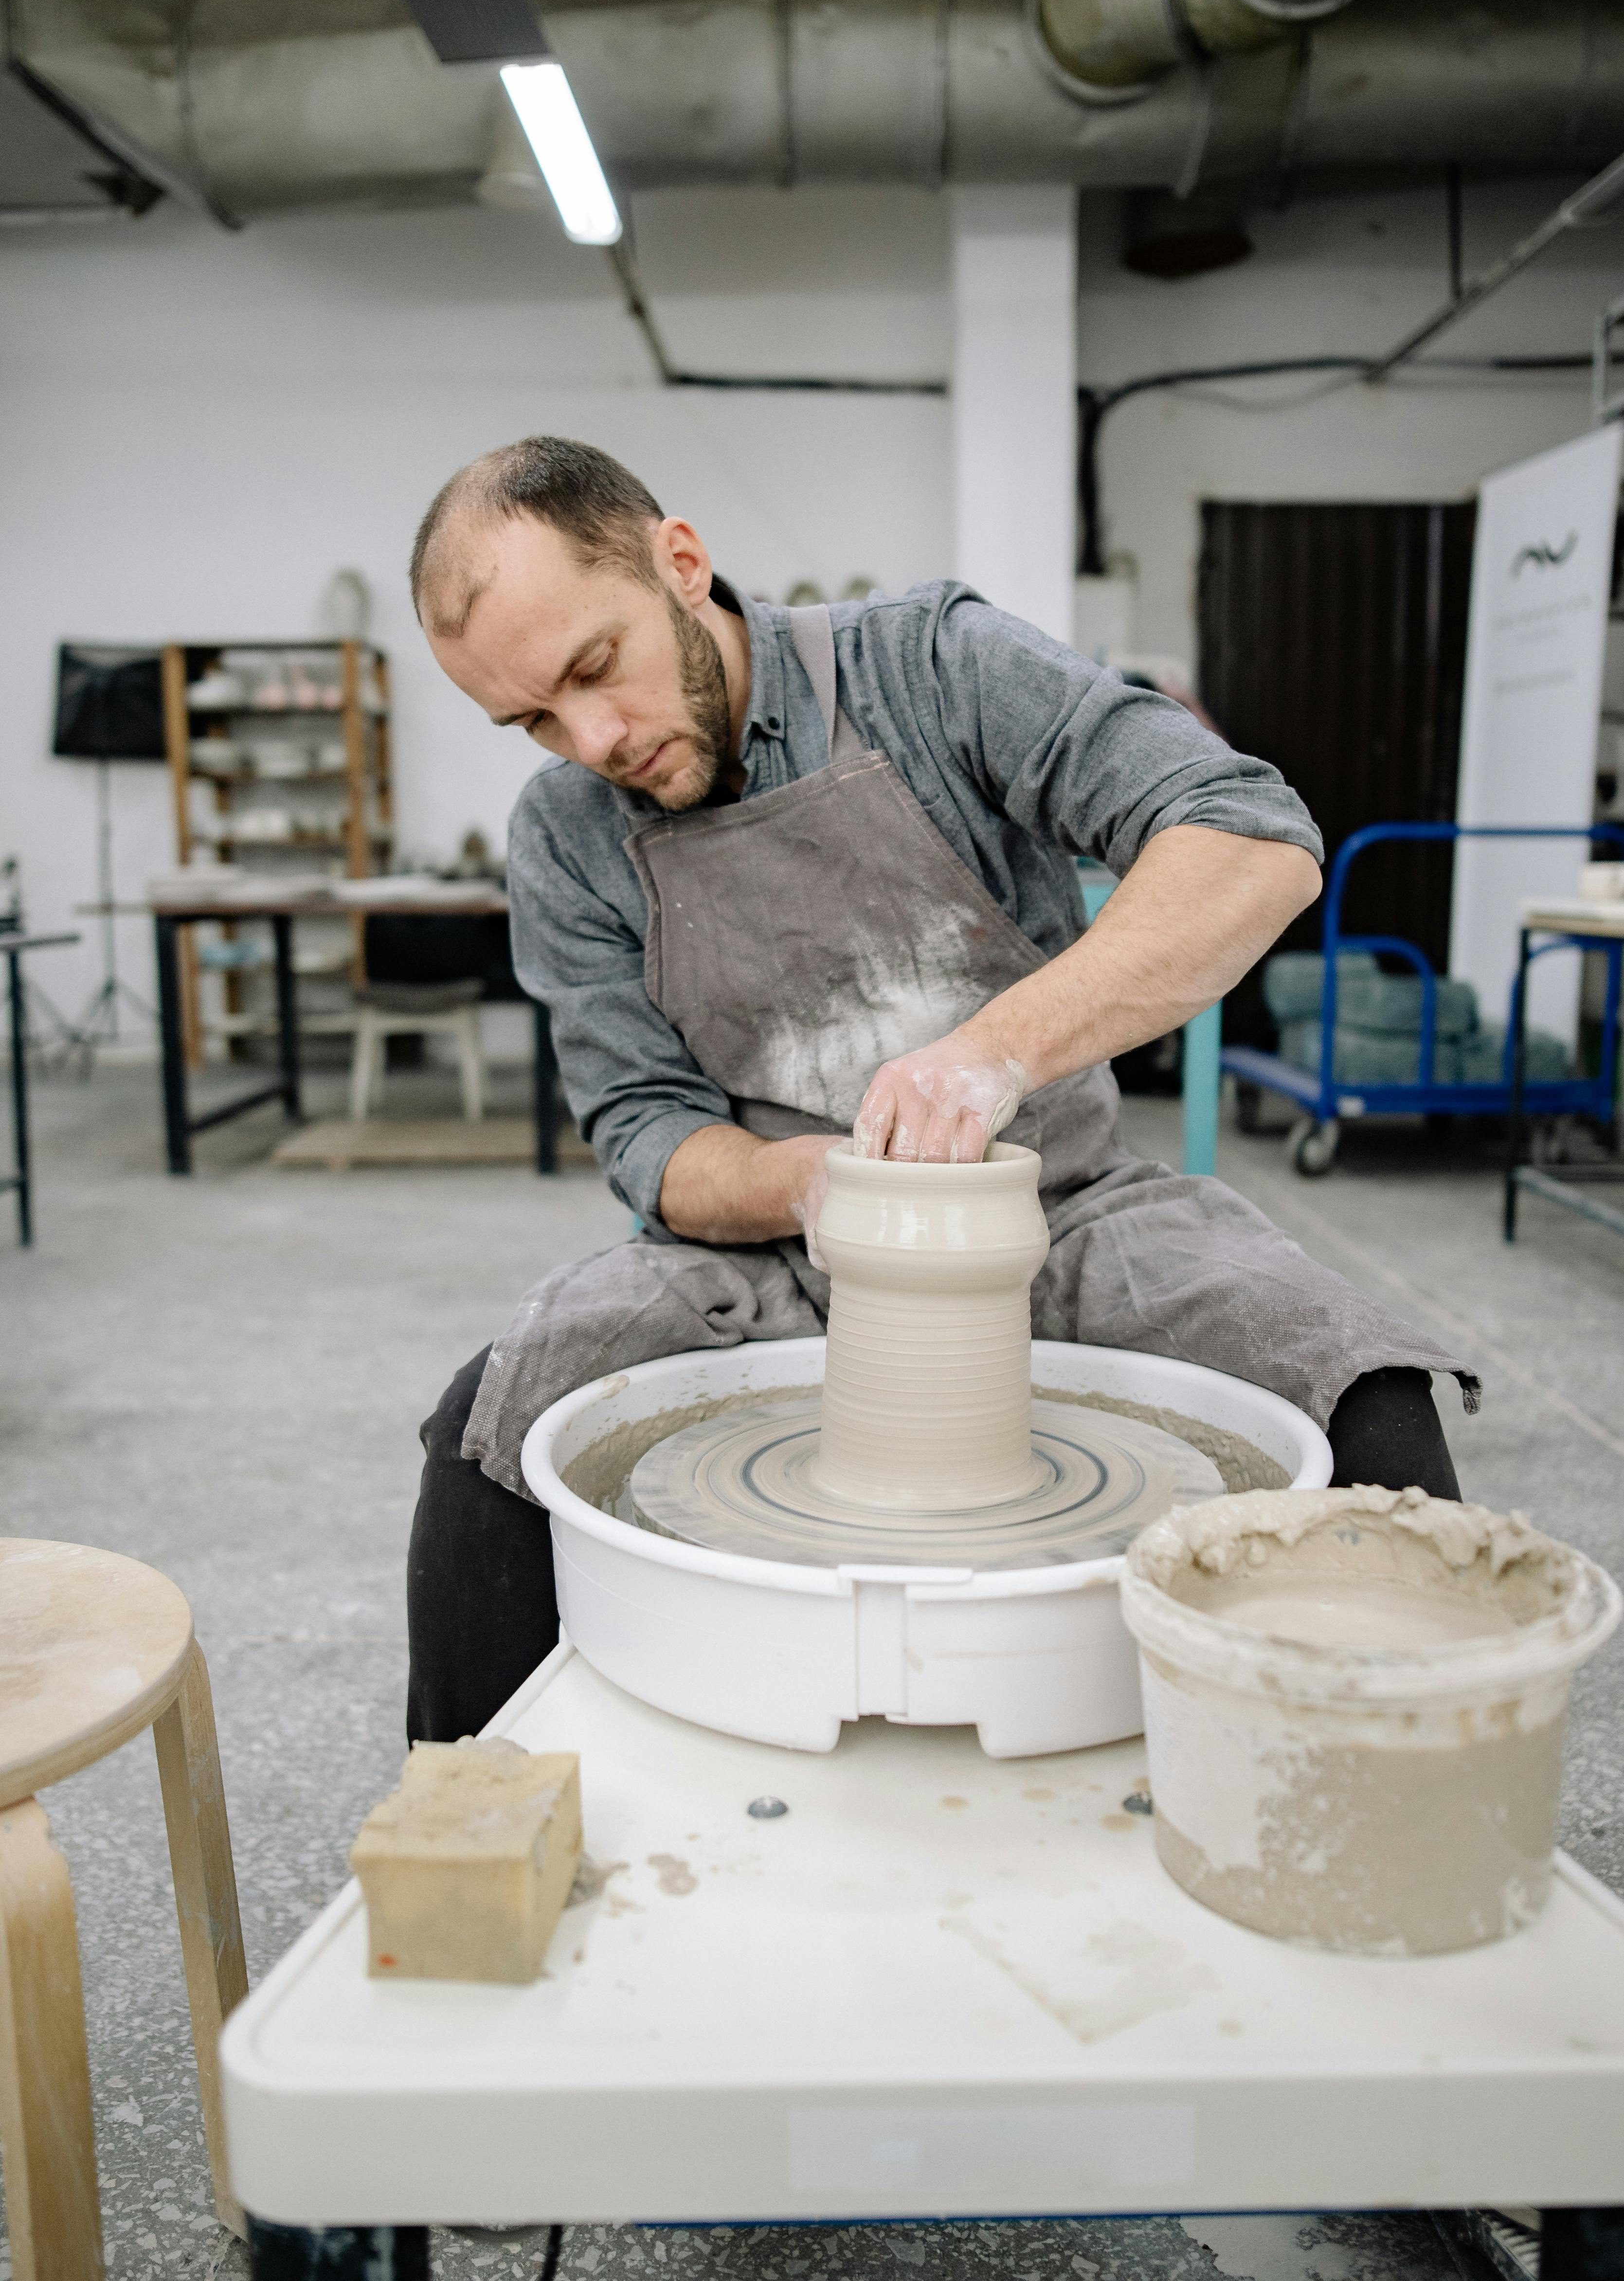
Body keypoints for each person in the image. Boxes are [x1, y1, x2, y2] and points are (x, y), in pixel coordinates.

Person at [405, 435, 1474, 1742]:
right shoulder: (565, 835)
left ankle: (1395, 1785)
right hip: (774, 1253)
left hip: (1063, 1209)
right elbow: (645, 1130)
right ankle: (463, 1817)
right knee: (488, 1435)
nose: (594, 740)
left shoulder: (929, 667)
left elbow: (1249, 836)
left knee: (1364, 1398)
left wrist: (993, 1052)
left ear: (678, 563)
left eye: (593, 668)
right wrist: (820, 1184)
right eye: (533, 722)